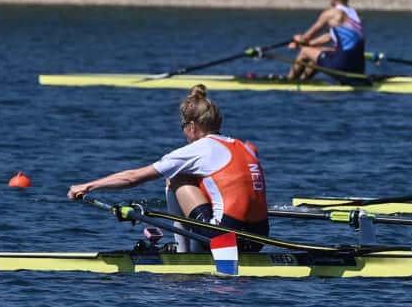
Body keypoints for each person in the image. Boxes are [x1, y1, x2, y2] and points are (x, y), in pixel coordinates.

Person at [68, 84, 269, 253]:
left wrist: (87, 186)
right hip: (258, 239)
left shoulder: (198, 149)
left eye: (183, 128)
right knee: (211, 183)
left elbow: (133, 178)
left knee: (175, 178)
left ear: (191, 126)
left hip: (224, 239)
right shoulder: (245, 147)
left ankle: (185, 253)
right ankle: (198, 246)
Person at [287, 0, 366, 82]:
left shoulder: (331, 14)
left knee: (304, 52)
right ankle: (304, 81)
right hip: (358, 69)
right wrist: (310, 44)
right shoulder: (355, 14)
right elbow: (330, 36)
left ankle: (289, 82)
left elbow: (305, 37)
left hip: (342, 67)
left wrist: (298, 40)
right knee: (319, 52)